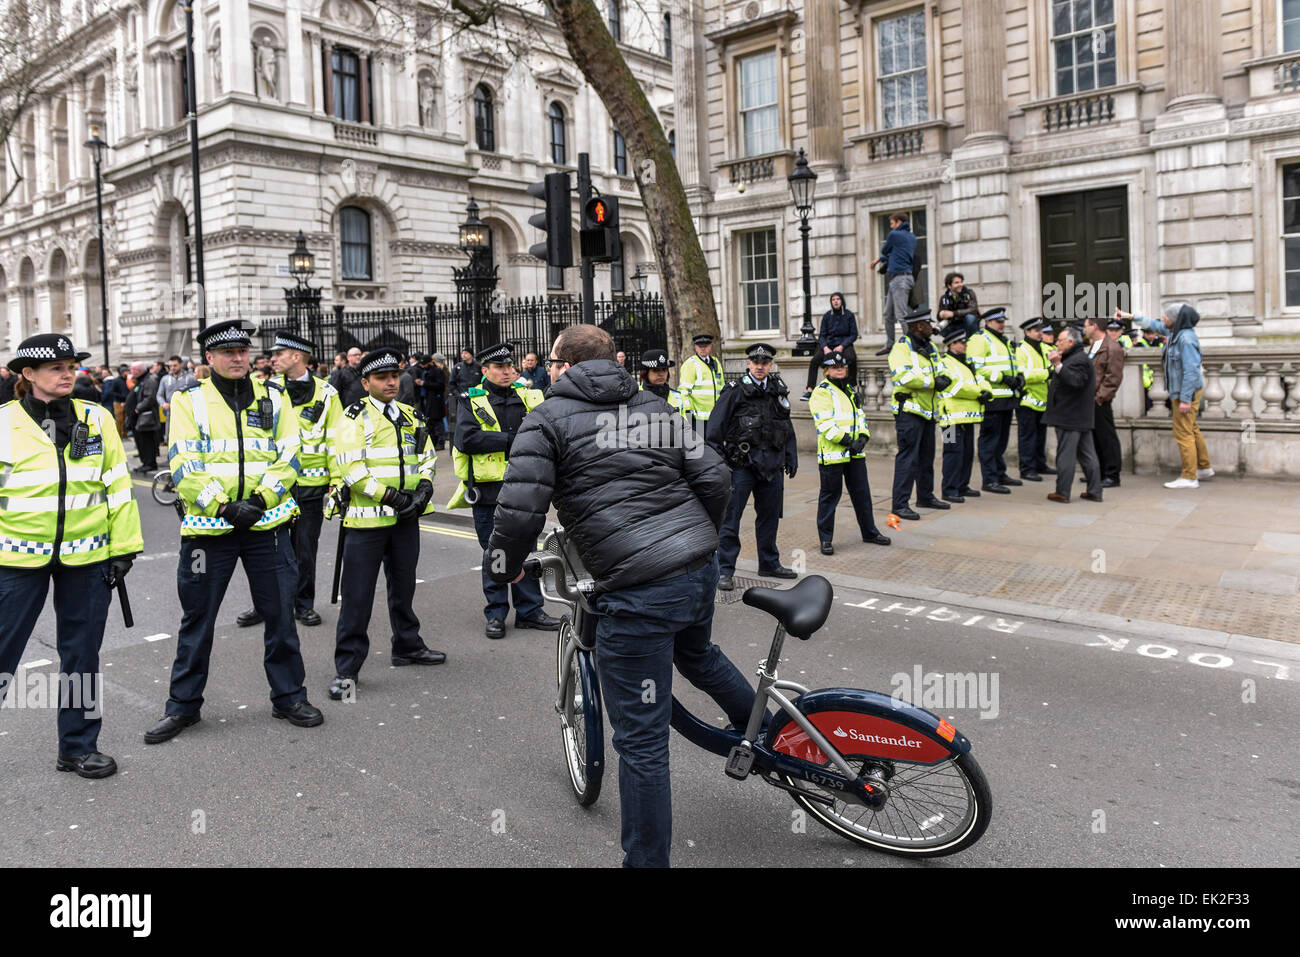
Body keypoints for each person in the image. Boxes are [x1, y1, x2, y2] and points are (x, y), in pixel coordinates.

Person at [484, 323, 754, 868]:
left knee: (642, 744)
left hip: (635, 591)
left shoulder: (548, 419)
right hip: (695, 570)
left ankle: (646, 862)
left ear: (560, 364)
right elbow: (717, 480)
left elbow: (518, 510)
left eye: (552, 363)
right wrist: (696, 538)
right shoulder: (653, 406)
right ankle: (766, 735)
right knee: (698, 654)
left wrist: (503, 569)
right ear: (615, 360)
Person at [145, 320, 322, 745]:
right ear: (209, 358)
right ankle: (183, 707)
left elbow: (291, 455)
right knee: (197, 620)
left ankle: (289, 697)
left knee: (280, 615)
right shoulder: (190, 400)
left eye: (243, 351)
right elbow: (184, 462)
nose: (238, 358)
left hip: (269, 524)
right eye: (227, 352)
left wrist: (259, 501)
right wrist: (224, 506)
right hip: (209, 528)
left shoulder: (275, 397)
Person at [0, 334, 143, 778]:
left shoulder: (97, 418)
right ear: (28, 374)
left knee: (82, 655)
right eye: (56, 367)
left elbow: (118, 488)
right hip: (17, 559)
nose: (68, 373)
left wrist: (123, 549)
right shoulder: (4, 423)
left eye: (71, 365)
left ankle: (78, 747)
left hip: (88, 556)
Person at [328, 347, 444, 699]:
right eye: (382, 377)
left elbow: (426, 454)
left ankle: (407, 645)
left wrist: (424, 488)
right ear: (365, 383)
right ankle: (347, 670)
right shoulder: (353, 417)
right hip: (367, 522)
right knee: (357, 598)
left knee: (404, 587)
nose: (391, 381)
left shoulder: (410, 414)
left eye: (394, 375)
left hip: (406, 518)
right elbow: (352, 470)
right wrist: (393, 497)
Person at [448, 343, 560, 639]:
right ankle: (496, 613)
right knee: (495, 552)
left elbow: (544, 431)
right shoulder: (471, 400)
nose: (507, 371)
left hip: (524, 487)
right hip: (488, 491)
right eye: (499, 367)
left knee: (525, 548)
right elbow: (467, 439)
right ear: (485, 371)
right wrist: (513, 440)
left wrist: (502, 439)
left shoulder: (528, 395)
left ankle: (530, 611)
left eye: (510, 366)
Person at [235, 331, 343, 630]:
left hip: (310, 487)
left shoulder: (327, 394)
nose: (273, 358)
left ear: (296, 356)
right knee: (265, 551)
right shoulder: (265, 389)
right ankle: (263, 604)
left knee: (304, 550)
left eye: (279, 354)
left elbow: (335, 440)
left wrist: (336, 482)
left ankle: (303, 605)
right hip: (274, 486)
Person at [707, 342, 799, 590]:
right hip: (742, 466)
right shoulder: (735, 391)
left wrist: (792, 454)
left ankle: (769, 563)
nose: (760, 367)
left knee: (770, 517)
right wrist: (722, 463)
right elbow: (714, 430)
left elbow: (786, 425)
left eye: (765, 363)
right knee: (731, 519)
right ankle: (724, 570)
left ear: (770, 365)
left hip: (772, 464)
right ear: (749, 364)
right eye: (756, 363)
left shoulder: (777, 389)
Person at [1118, 304, 1212, 489]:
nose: (1164, 318)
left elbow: (1192, 371)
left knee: (1183, 433)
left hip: (1186, 392)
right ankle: (1203, 467)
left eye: (1167, 315)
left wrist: (1186, 399)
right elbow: (1153, 324)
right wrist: (1130, 316)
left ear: (1175, 319)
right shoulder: (1175, 333)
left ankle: (1189, 476)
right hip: (1184, 390)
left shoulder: (1185, 339)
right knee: (1191, 428)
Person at [808, 352, 890, 553]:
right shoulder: (821, 392)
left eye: (842, 367)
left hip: (855, 454)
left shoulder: (850, 391)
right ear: (826, 370)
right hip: (833, 454)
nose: (839, 370)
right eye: (835, 367)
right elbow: (825, 425)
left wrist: (863, 437)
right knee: (829, 497)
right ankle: (825, 539)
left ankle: (870, 532)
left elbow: (860, 417)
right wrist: (848, 441)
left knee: (862, 495)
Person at [887, 307, 949, 520]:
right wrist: (933, 382)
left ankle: (925, 495)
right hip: (910, 411)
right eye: (929, 324)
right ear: (919, 326)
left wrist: (944, 378)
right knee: (908, 459)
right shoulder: (901, 348)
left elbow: (940, 368)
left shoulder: (930, 346)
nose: (933, 327)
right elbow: (903, 377)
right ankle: (900, 504)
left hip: (928, 411)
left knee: (926, 457)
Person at [1044, 324, 1103, 504]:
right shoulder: (1076, 357)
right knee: (1087, 454)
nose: (1056, 343)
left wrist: (1058, 365)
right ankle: (1094, 491)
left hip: (1070, 416)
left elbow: (1075, 381)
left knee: (1066, 455)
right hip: (1078, 415)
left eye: (1060, 340)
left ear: (1070, 342)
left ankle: (1062, 492)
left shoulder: (1078, 359)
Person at [967, 307, 1022, 494]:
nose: (1002, 324)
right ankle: (989, 479)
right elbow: (975, 367)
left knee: (1002, 440)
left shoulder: (1004, 340)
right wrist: (1002, 377)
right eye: (999, 321)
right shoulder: (979, 339)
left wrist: (1018, 377)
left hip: (1007, 398)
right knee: (990, 440)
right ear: (988, 322)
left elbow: (1011, 365)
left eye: (1003, 321)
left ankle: (999, 473)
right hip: (992, 398)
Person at [937, 323, 992, 503]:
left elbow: (982, 380)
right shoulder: (944, 363)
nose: (965, 345)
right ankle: (949, 489)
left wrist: (986, 391)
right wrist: (978, 392)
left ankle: (962, 485)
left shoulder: (968, 363)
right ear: (952, 345)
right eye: (961, 342)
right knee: (952, 453)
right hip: (950, 420)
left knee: (967, 453)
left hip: (967, 417)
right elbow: (956, 386)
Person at [1083, 316, 1124, 488]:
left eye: (1086, 326)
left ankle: (1112, 474)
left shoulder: (1112, 347)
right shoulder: (1094, 345)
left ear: (1094, 326)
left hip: (1100, 400)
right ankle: (1098, 472)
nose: (1084, 329)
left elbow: (1113, 377)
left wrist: (1100, 397)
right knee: (1095, 437)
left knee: (1106, 437)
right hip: (1090, 399)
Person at [870, 211, 918, 355]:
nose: (891, 227)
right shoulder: (911, 237)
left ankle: (913, 345)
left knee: (901, 315)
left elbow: (885, 249)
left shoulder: (894, 235)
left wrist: (880, 257)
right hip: (902, 278)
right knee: (887, 314)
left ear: (898, 222)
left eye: (891, 224)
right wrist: (882, 259)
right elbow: (895, 254)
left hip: (900, 279)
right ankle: (890, 344)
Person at [1014, 316, 1054, 481]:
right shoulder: (1020, 350)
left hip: (1043, 400)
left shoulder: (1045, 348)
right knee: (1027, 437)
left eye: (1041, 330)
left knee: (1040, 436)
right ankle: (1027, 468)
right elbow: (1023, 374)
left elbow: (1053, 366)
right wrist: (1046, 374)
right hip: (1027, 400)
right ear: (1027, 332)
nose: (1040, 333)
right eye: (1037, 331)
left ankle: (1040, 464)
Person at [800, 292, 859, 401]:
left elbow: (854, 334)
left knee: (851, 358)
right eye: (833, 300)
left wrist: (842, 346)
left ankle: (852, 386)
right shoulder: (827, 316)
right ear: (831, 302)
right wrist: (825, 347)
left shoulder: (849, 315)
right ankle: (809, 389)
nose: (835, 301)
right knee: (815, 360)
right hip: (828, 345)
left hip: (844, 344)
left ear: (842, 301)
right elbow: (822, 335)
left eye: (838, 299)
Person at [678, 333, 725, 426]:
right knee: (699, 441)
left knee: (713, 441)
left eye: (706, 346)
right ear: (695, 347)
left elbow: (722, 387)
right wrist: (688, 413)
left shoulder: (716, 362)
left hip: (715, 416)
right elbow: (683, 391)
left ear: (711, 346)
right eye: (700, 346)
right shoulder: (690, 364)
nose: (703, 348)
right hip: (698, 419)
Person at [128, 361, 162, 473]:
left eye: (133, 369)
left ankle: (150, 463)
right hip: (138, 417)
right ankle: (145, 462)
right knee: (141, 441)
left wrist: (138, 408)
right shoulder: (140, 380)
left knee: (147, 441)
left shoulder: (149, 380)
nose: (131, 372)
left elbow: (150, 397)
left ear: (140, 370)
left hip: (146, 417)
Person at [937, 272, 981, 339]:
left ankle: (972, 340)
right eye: (956, 283)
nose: (960, 284)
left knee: (970, 318)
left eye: (961, 282)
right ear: (949, 286)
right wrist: (941, 314)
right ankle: (952, 343)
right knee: (941, 327)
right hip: (953, 324)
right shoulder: (944, 298)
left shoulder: (969, 293)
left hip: (966, 324)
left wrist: (954, 313)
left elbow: (973, 309)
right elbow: (940, 315)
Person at [449, 347, 481, 426]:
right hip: (462, 400)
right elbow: (452, 383)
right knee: (463, 420)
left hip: (477, 398)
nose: (463, 355)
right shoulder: (457, 367)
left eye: (466, 353)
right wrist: (458, 395)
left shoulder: (479, 366)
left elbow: (484, 382)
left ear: (471, 355)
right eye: (462, 353)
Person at [423, 353, 449, 449]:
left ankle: (440, 441)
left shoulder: (438, 371)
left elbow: (441, 385)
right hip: (432, 399)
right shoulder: (432, 370)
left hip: (437, 399)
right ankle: (435, 442)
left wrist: (425, 384)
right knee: (432, 422)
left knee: (437, 422)